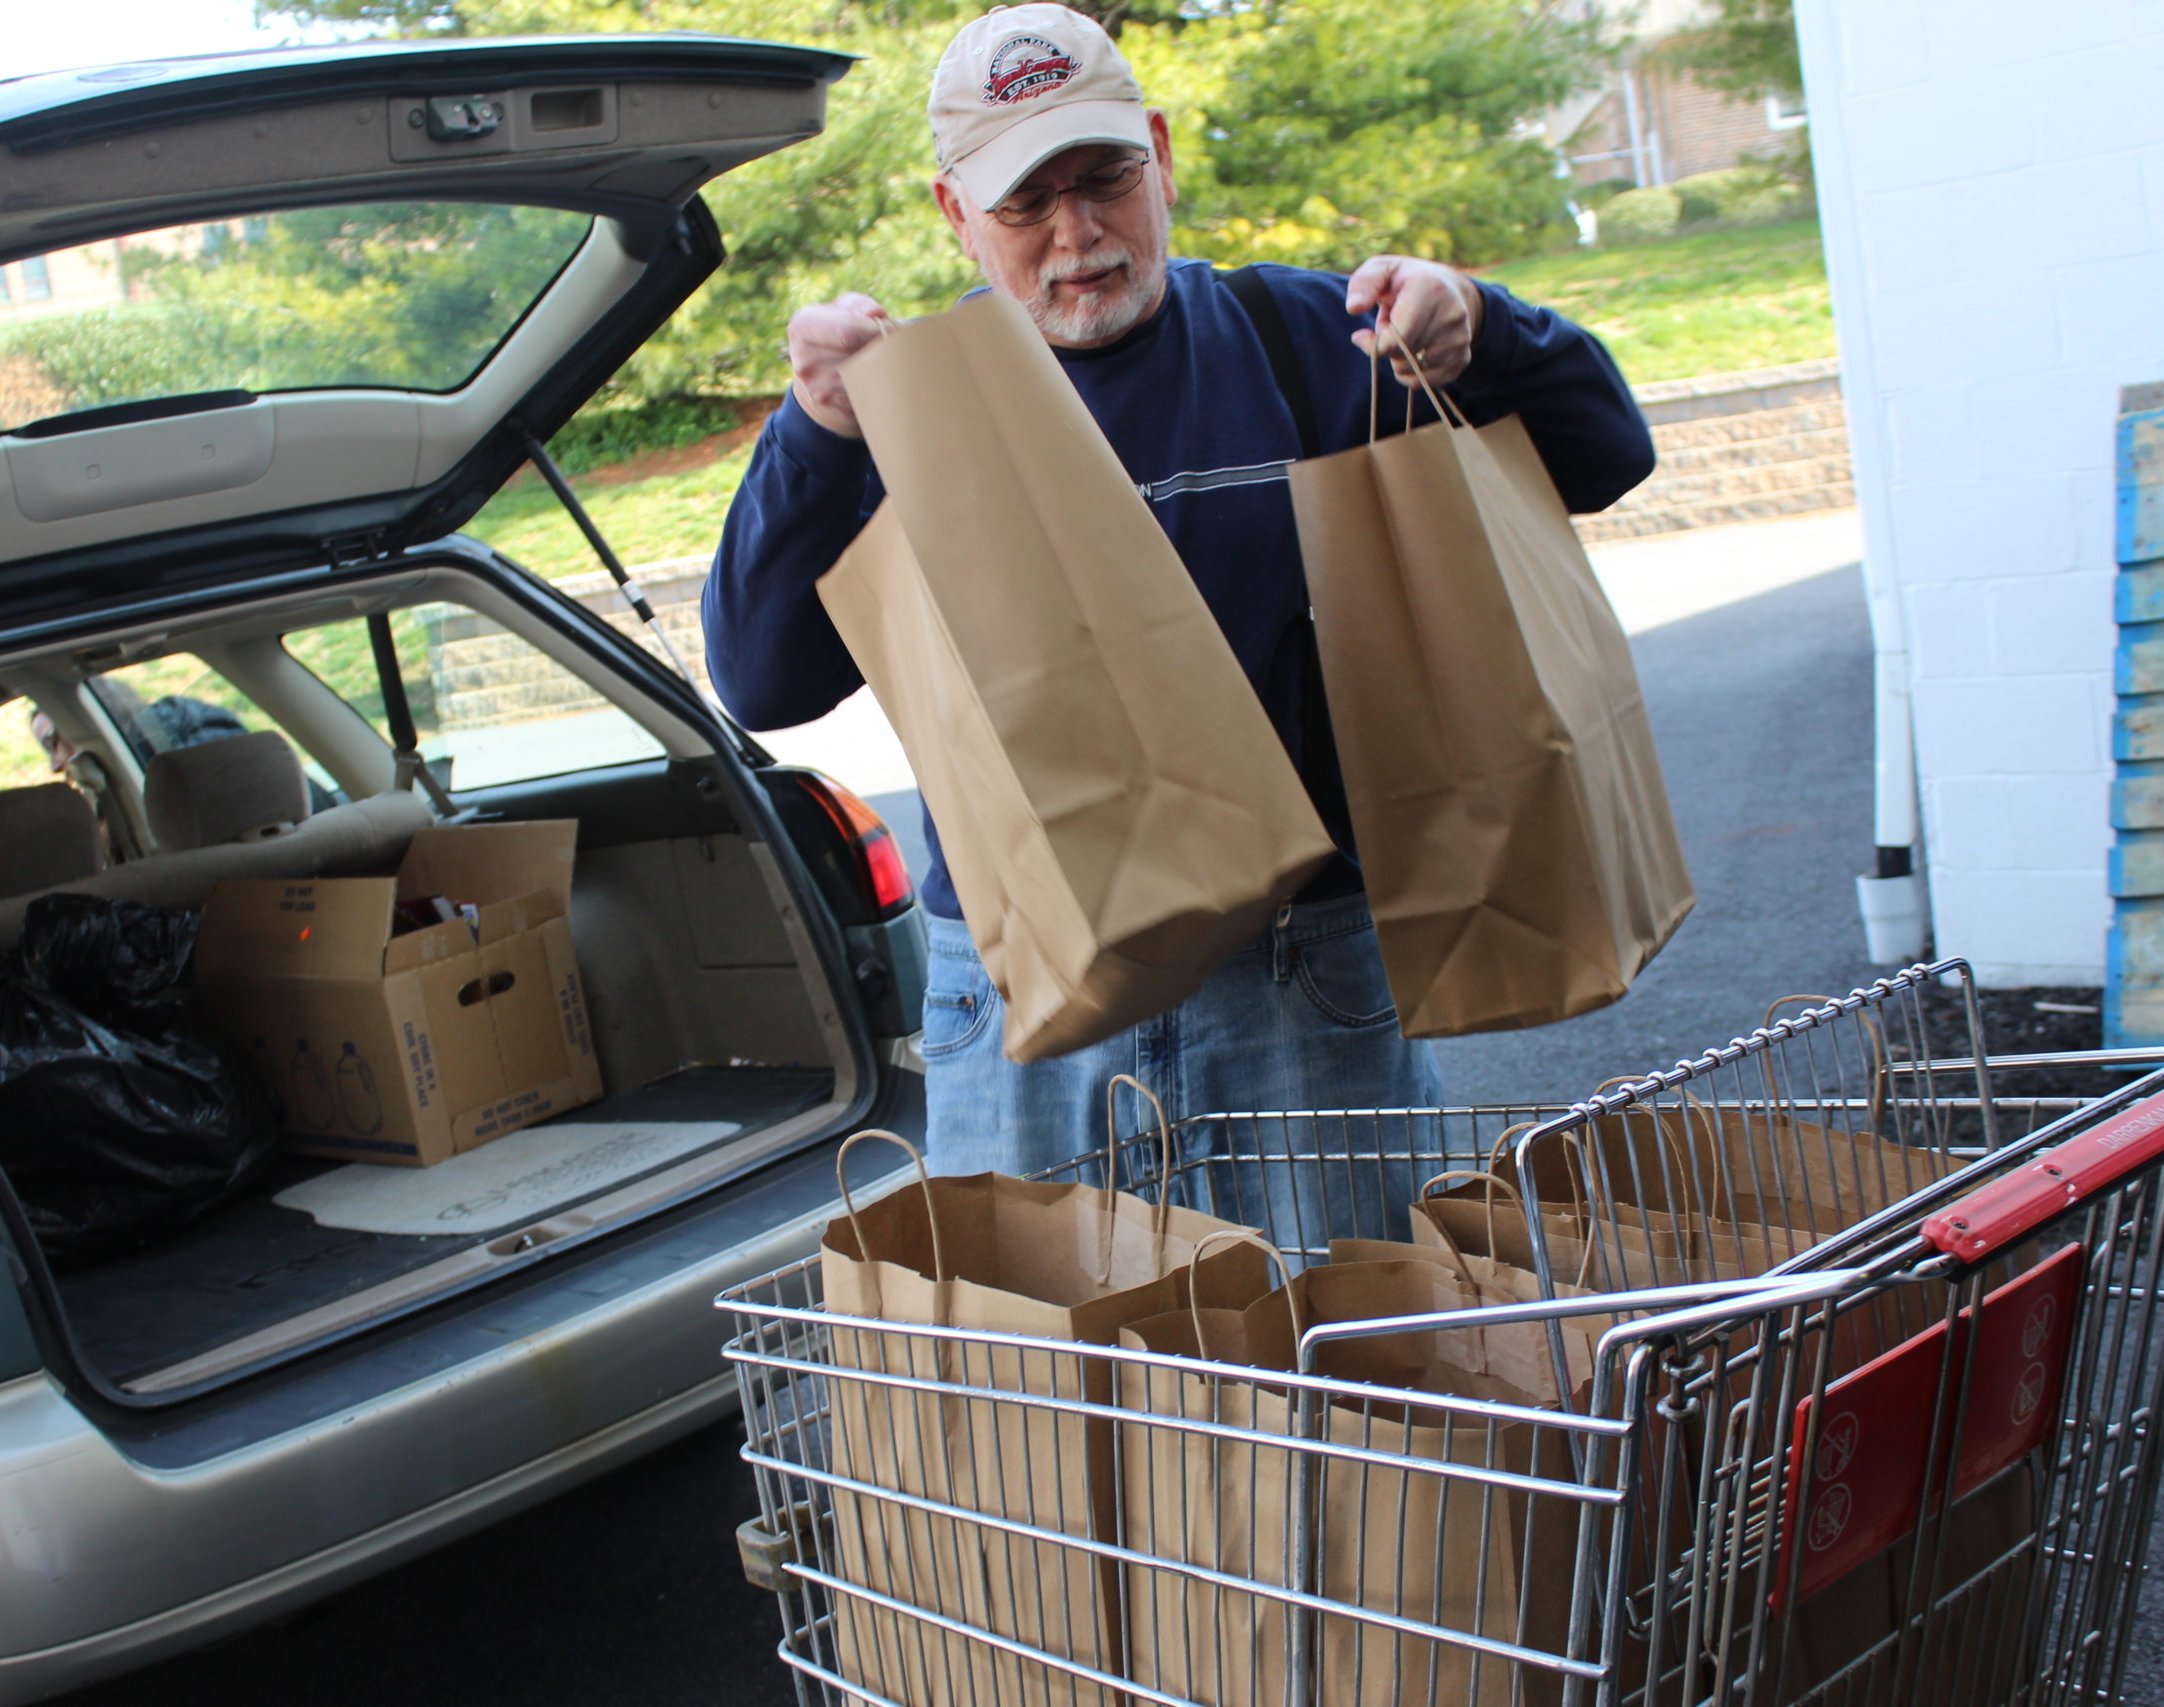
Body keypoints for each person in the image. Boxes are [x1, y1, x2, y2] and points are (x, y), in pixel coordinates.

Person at [703, 3, 1655, 1183]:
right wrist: (813, 434)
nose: (1077, 232)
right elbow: (763, 679)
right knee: (1058, 1370)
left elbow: (1609, 453)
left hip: (1297, 973)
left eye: (1105, 178)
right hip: (1026, 981)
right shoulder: (906, 415)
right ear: (956, 213)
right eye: (1025, 204)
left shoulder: (1309, 340)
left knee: (1345, 1342)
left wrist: (1485, 324)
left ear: (1159, 152)